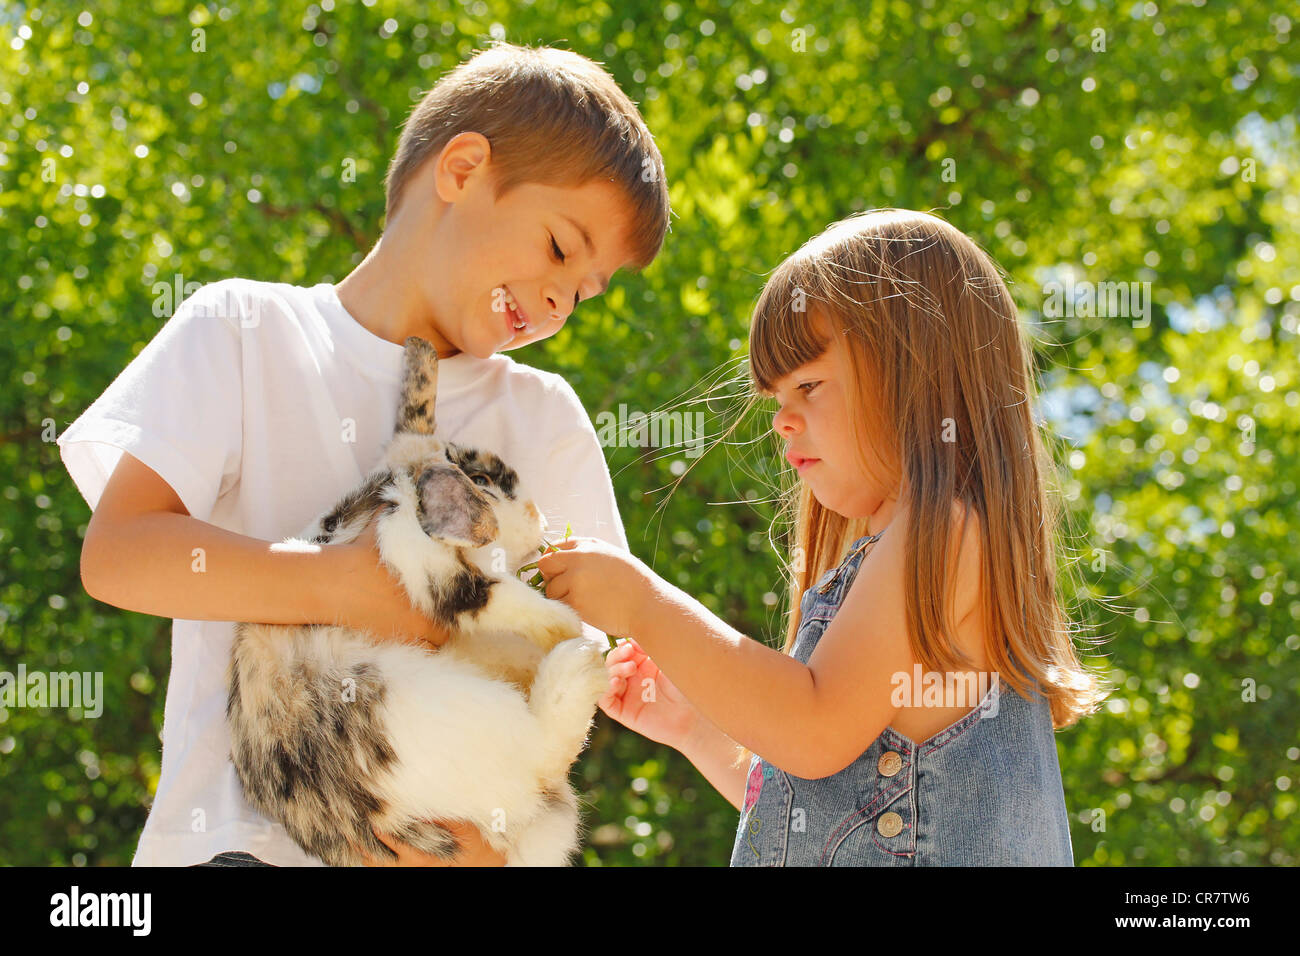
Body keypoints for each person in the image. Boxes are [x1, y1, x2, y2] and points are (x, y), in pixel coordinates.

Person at [58, 41, 670, 867]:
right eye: (561, 248)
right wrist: (339, 585)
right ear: (461, 169)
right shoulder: (242, 332)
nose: (561, 300)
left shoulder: (543, 418)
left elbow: (571, 661)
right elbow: (119, 555)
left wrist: (486, 855)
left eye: (585, 294)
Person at [537, 208, 1109, 866]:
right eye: (777, 397)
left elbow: (812, 728)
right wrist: (696, 730)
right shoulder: (907, 551)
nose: (782, 420)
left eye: (808, 385)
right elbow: (818, 811)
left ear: (919, 375)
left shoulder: (945, 537)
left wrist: (645, 605)